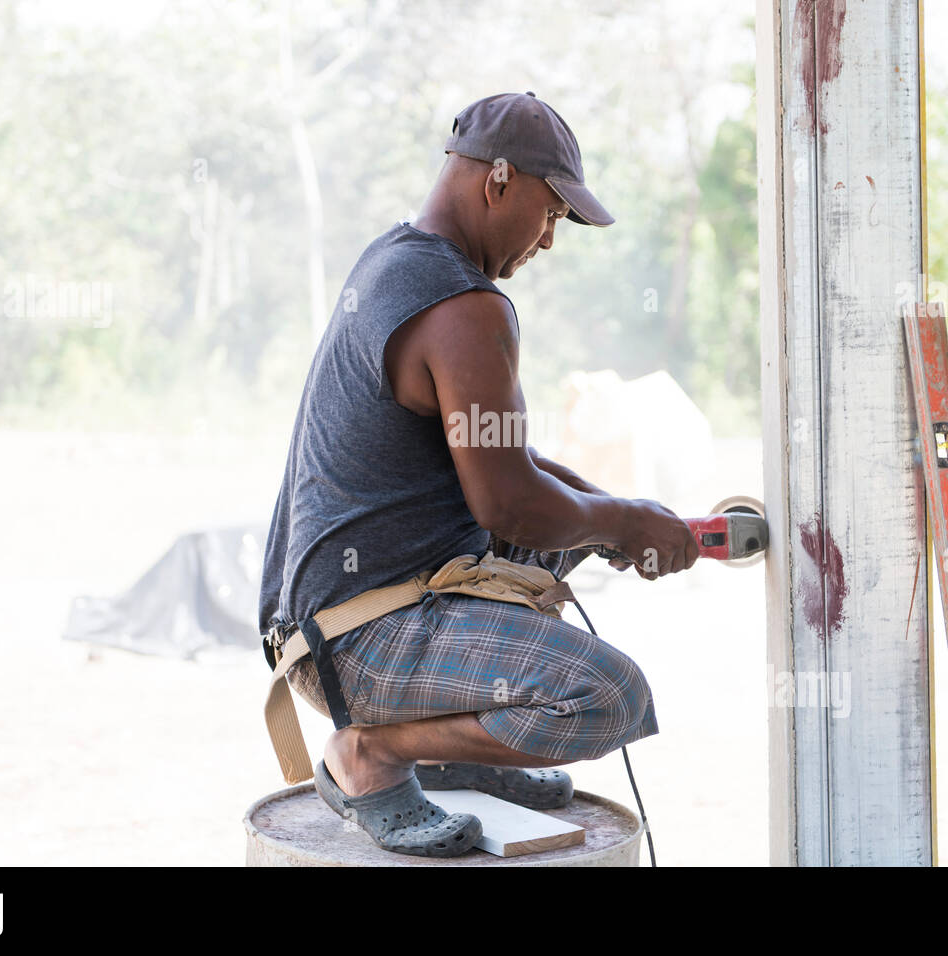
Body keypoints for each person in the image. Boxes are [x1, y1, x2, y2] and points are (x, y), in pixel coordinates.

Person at [258, 91, 697, 857]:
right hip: (355, 644)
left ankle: (449, 744)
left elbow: (507, 467)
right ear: (498, 180)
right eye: (551, 212)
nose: (549, 240)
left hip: (316, 625)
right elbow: (511, 504)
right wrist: (624, 523)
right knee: (608, 698)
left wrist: (618, 514)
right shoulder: (463, 307)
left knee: (576, 528)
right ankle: (376, 752)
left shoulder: (395, 260)